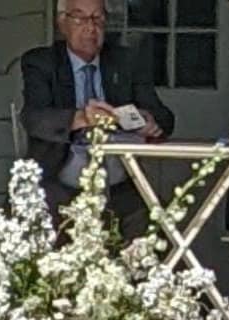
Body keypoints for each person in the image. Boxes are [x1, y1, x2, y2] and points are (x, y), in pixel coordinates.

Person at [20, 0, 175, 242]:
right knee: (43, 215)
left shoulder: (125, 62)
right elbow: (34, 118)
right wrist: (81, 117)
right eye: (80, 19)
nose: (90, 28)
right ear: (62, 23)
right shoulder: (42, 63)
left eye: (97, 19)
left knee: (156, 220)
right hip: (59, 181)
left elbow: (165, 118)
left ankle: (133, 281)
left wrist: (150, 121)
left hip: (118, 185)